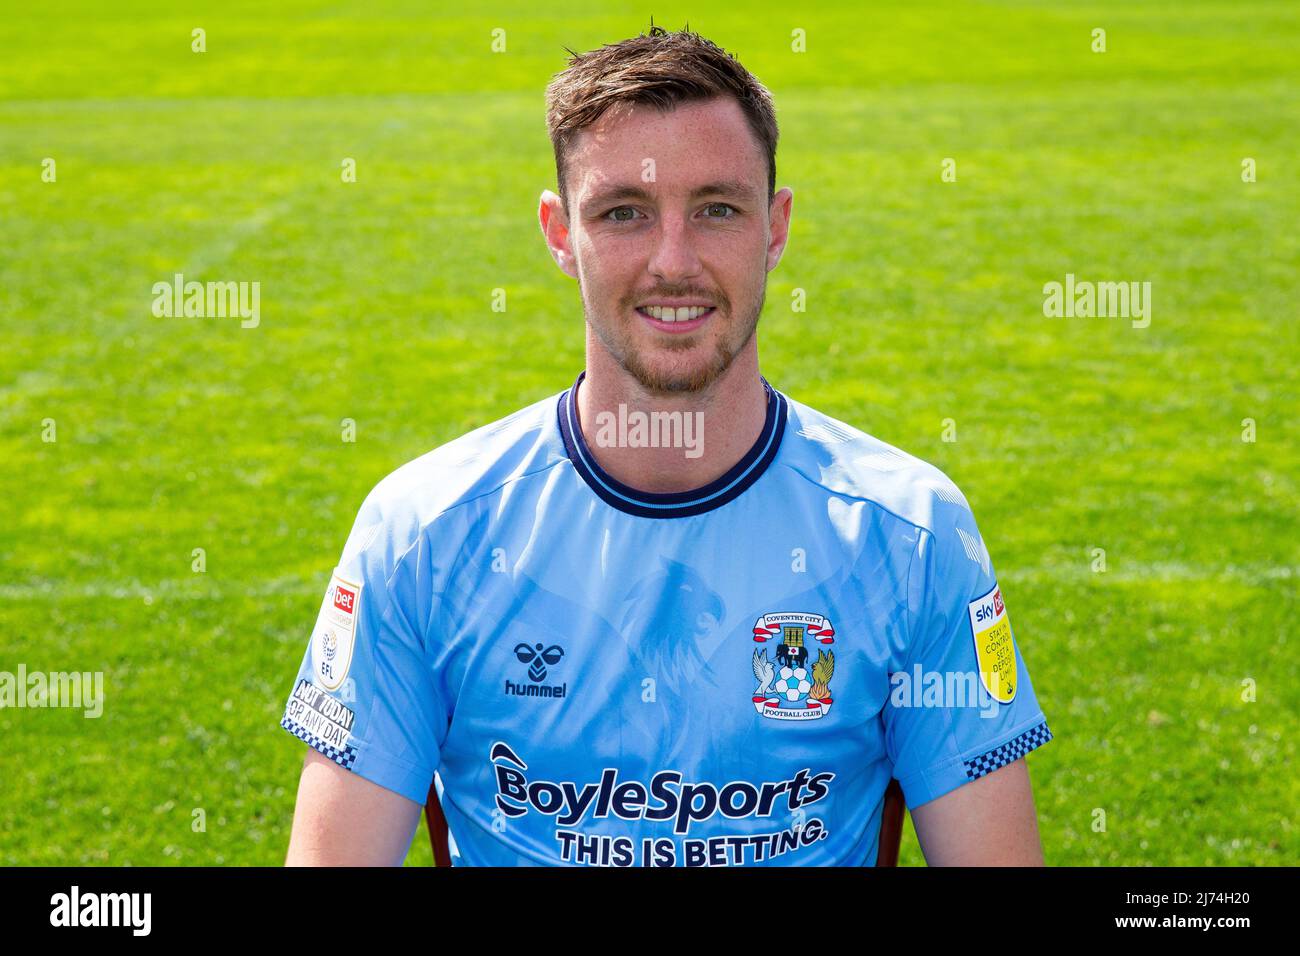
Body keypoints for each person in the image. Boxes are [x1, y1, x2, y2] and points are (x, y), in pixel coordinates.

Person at [281, 25, 1052, 867]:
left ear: (777, 226)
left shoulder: (911, 534)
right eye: (624, 214)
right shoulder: (420, 535)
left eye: (718, 209)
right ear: (559, 234)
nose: (672, 263)